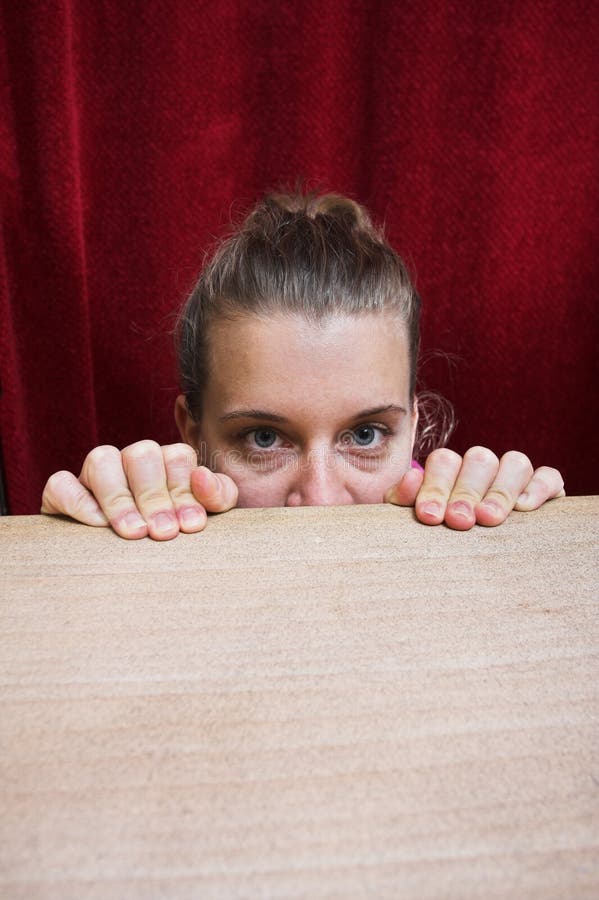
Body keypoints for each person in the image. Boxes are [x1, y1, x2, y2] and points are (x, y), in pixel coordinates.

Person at [41, 190, 564, 540]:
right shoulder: (166, 522)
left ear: (413, 426)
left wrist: (529, 525)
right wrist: (93, 529)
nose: (320, 502)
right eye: (264, 438)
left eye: (365, 435)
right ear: (193, 433)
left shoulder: (453, 512)